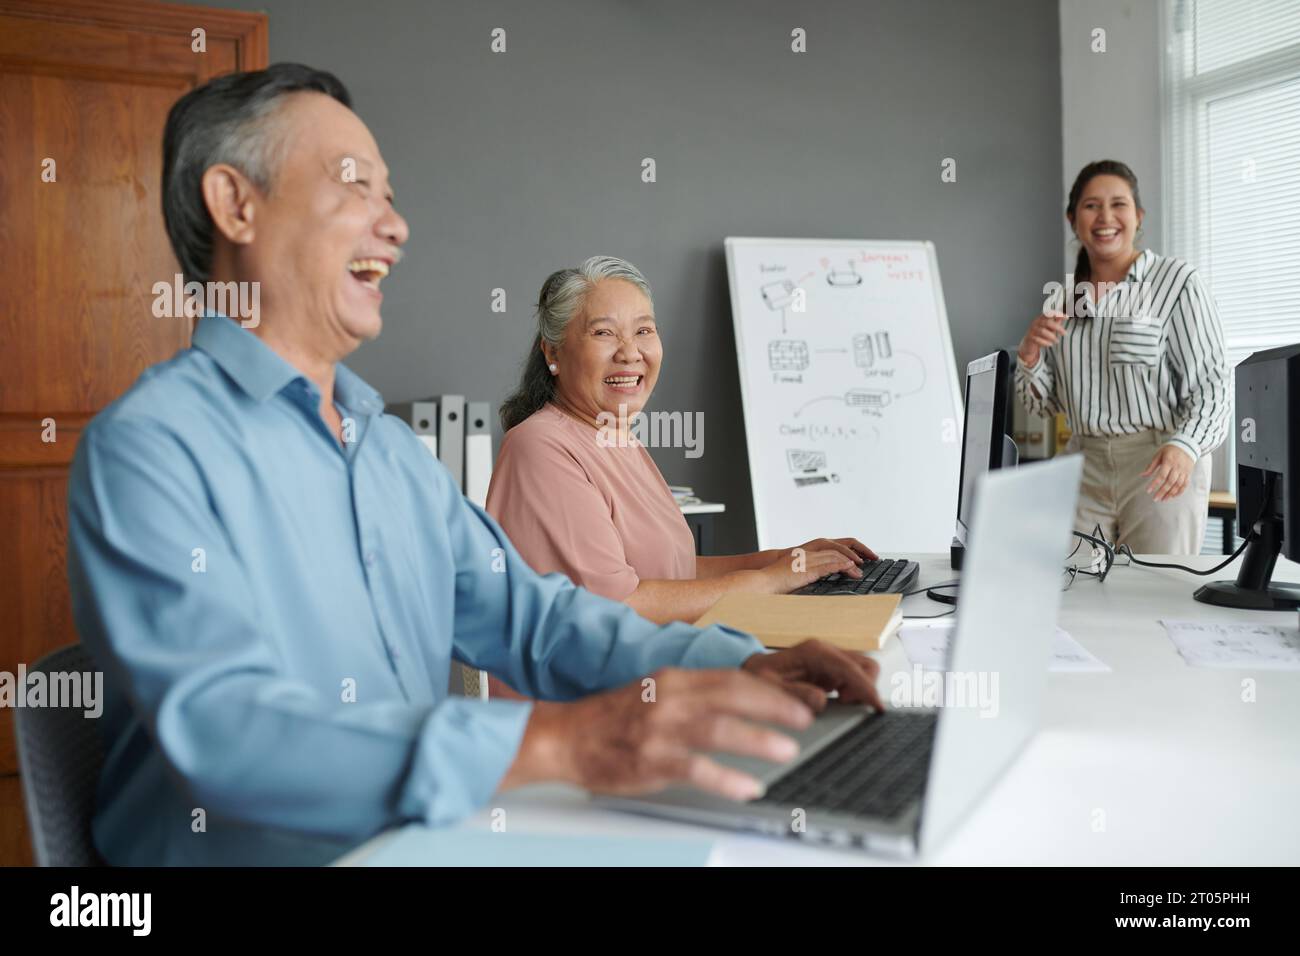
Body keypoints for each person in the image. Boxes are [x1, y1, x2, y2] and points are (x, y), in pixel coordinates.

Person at [65, 64, 884, 866]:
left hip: (422, 839)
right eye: (355, 187)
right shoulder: (149, 449)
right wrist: (559, 741)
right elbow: (230, 730)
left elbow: (536, 620)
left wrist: (737, 662)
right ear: (235, 203)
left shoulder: (382, 450)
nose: (395, 225)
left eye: (389, 196)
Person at [486, 255, 877, 627]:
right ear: (553, 352)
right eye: (604, 332)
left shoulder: (616, 439)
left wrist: (786, 561)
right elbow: (620, 606)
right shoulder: (540, 447)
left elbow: (677, 572)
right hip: (601, 693)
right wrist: (771, 582)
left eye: (643, 330)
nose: (630, 352)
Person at [1016, 160, 1229, 554]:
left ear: (1138, 216)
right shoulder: (1064, 299)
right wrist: (1029, 353)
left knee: (1154, 596)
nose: (1105, 217)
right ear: (1073, 218)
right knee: (1072, 593)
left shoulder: (1177, 282)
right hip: (1083, 466)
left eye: (1119, 204)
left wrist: (1186, 447)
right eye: (1091, 206)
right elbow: (1044, 405)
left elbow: (1214, 386)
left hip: (1159, 464)